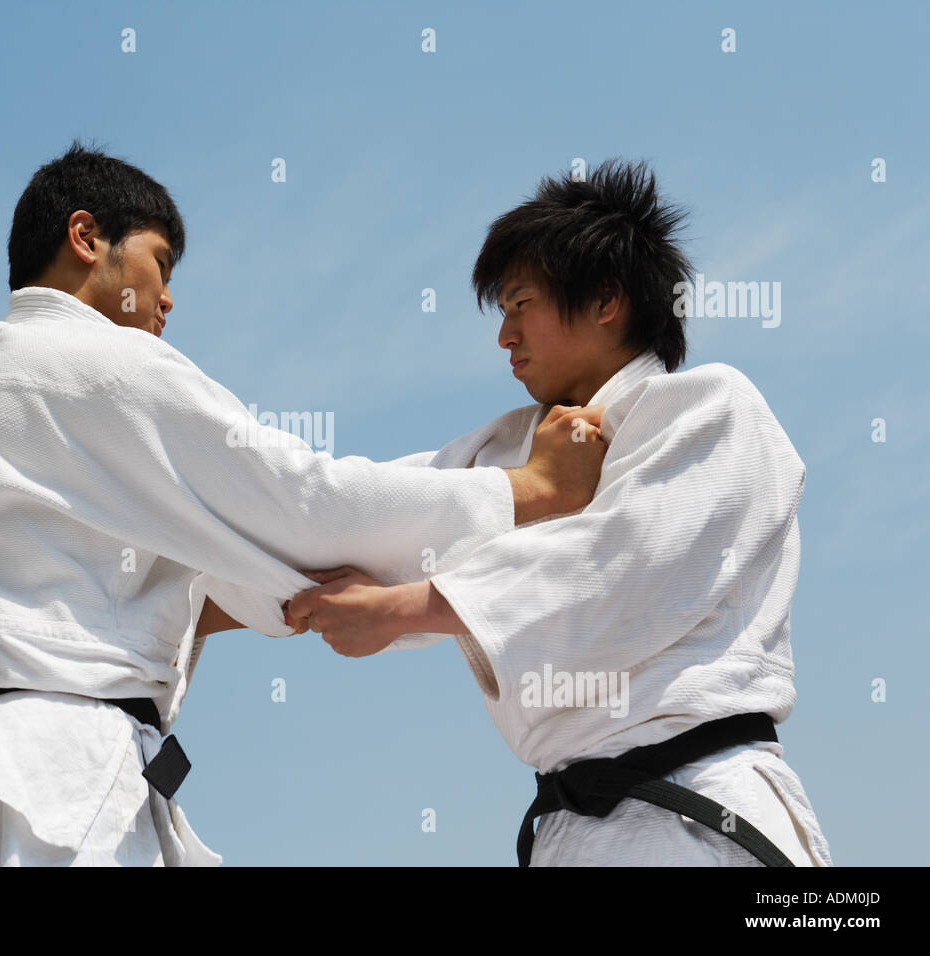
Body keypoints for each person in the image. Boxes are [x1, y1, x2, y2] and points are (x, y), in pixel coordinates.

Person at [0, 143, 606, 866]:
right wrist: (528, 488)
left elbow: (129, 584)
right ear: (86, 237)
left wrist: (307, 598)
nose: (168, 297)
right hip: (53, 787)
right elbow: (300, 502)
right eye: (160, 263)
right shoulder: (101, 361)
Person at [285, 159, 833, 866]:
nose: (504, 336)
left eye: (520, 305)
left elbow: (624, 568)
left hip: (700, 807)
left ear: (606, 300)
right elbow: (368, 514)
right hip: (568, 830)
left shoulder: (710, 409)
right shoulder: (512, 451)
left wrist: (404, 609)